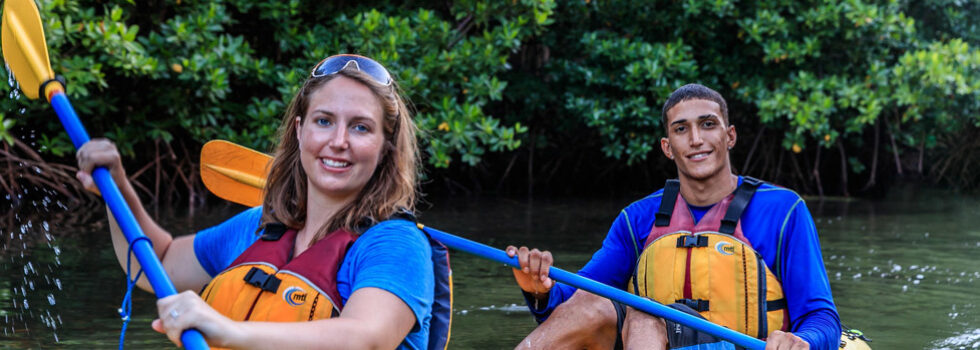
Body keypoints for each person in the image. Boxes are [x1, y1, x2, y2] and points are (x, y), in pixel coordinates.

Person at [75, 54, 451, 350]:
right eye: (324, 121)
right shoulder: (260, 226)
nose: (339, 141)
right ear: (300, 131)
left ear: (386, 148)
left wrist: (227, 332)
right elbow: (156, 264)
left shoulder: (397, 244)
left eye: (360, 127)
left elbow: (364, 340)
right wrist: (118, 190)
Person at [507, 84, 840, 349]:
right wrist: (540, 289)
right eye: (682, 129)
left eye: (708, 125)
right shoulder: (637, 219)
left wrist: (802, 341)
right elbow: (574, 306)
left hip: (739, 345)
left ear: (730, 136)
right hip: (652, 339)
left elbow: (821, 317)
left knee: (645, 316)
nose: (696, 140)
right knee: (612, 309)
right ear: (668, 146)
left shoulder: (783, 211)